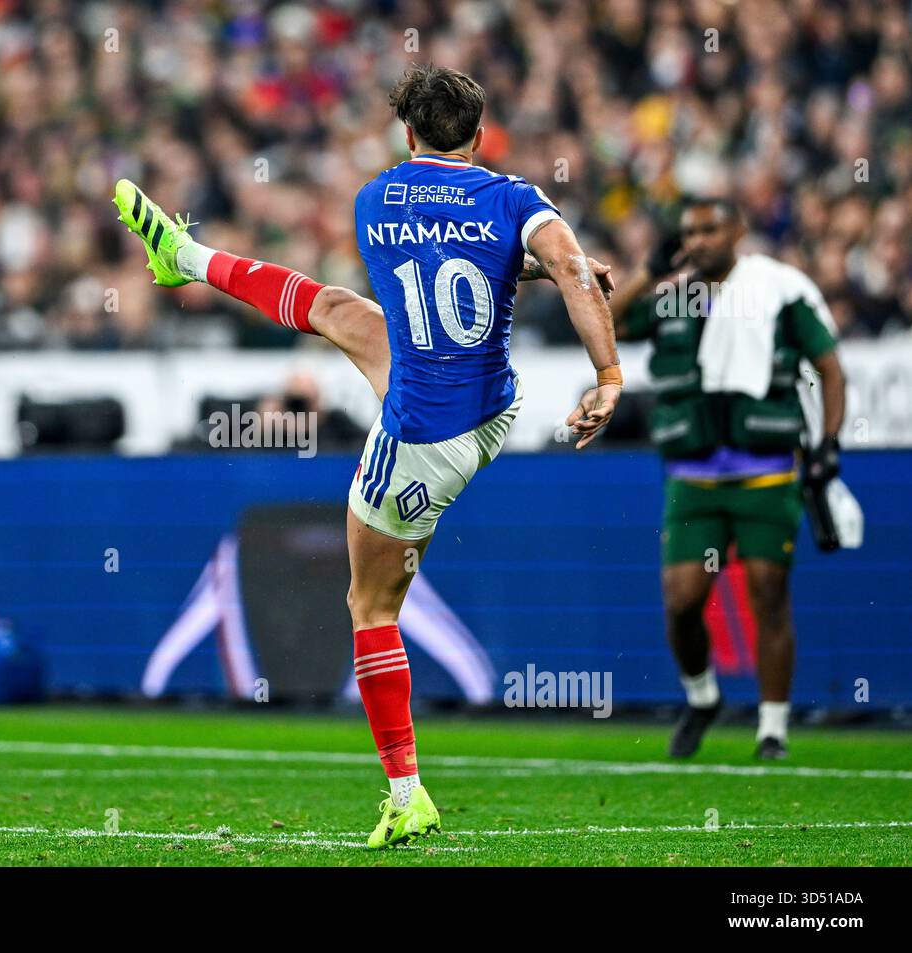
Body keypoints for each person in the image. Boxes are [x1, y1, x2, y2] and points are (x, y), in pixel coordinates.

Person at [115, 63, 622, 847]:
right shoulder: (518, 199)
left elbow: (440, 254)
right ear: (480, 135)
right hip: (491, 406)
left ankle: (407, 792)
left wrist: (552, 275)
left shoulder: (376, 200)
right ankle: (186, 257)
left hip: (419, 438)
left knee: (371, 607)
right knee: (336, 310)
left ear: (407, 132)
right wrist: (607, 371)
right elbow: (562, 267)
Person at [609, 197, 846, 760]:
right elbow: (605, 322)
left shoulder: (777, 291)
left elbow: (830, 368)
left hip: (765, 470)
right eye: (689, 232)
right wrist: (646, 272)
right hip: (693, 475)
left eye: (710, 229)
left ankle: (772, 728)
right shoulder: (673, 296)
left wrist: (828, 443)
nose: (698, 241)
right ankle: (702, 696)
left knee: (769, 594)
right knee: (681, 600)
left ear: (737, 230)